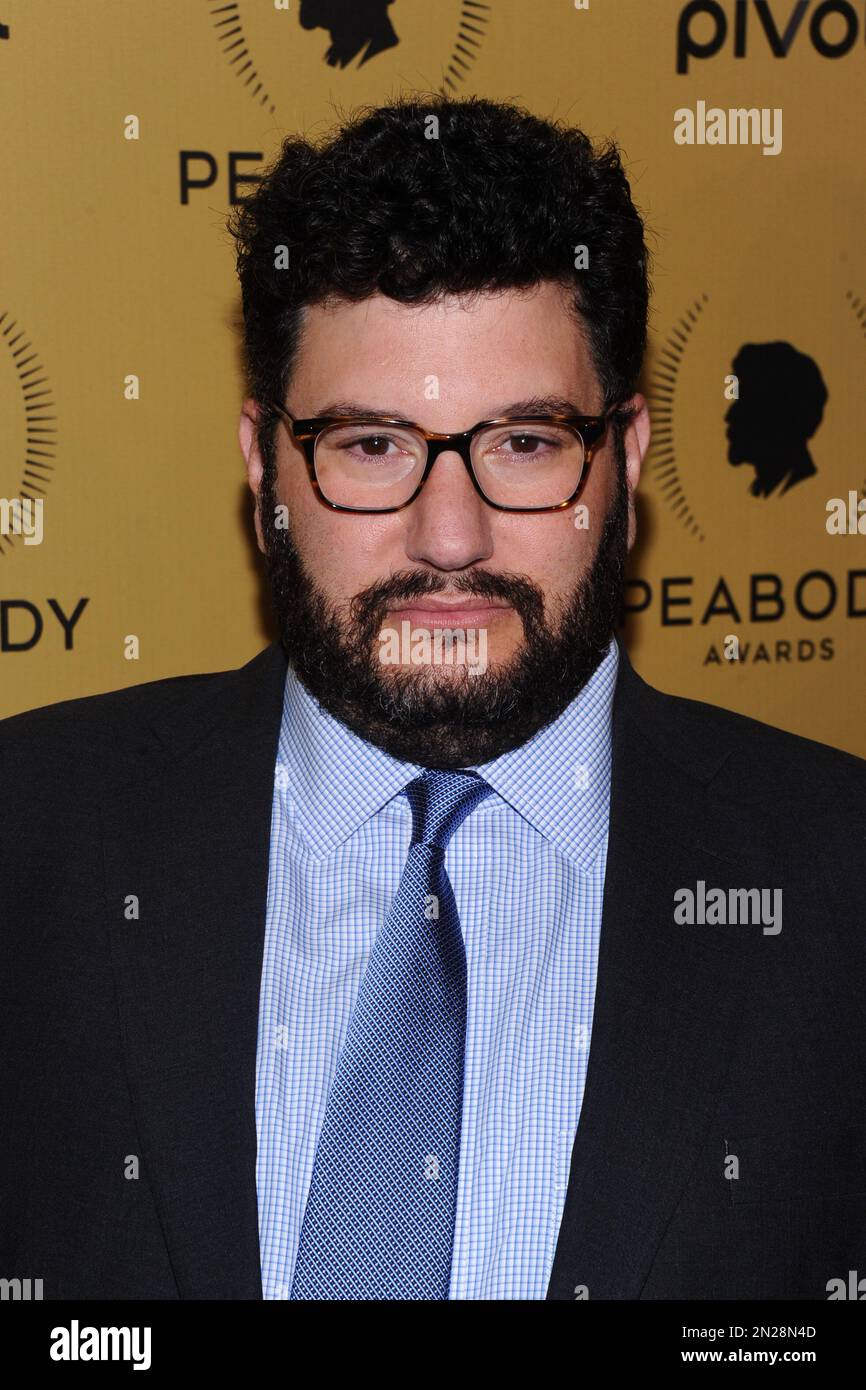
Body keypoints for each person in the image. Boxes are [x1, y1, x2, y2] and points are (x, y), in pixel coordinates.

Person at [1, 94, 864, 1302]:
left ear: (622, 454)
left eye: (522, 442)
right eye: (370, 446)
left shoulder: (835, 883)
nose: (448, 536)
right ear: (265, 469)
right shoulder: (32, 837)